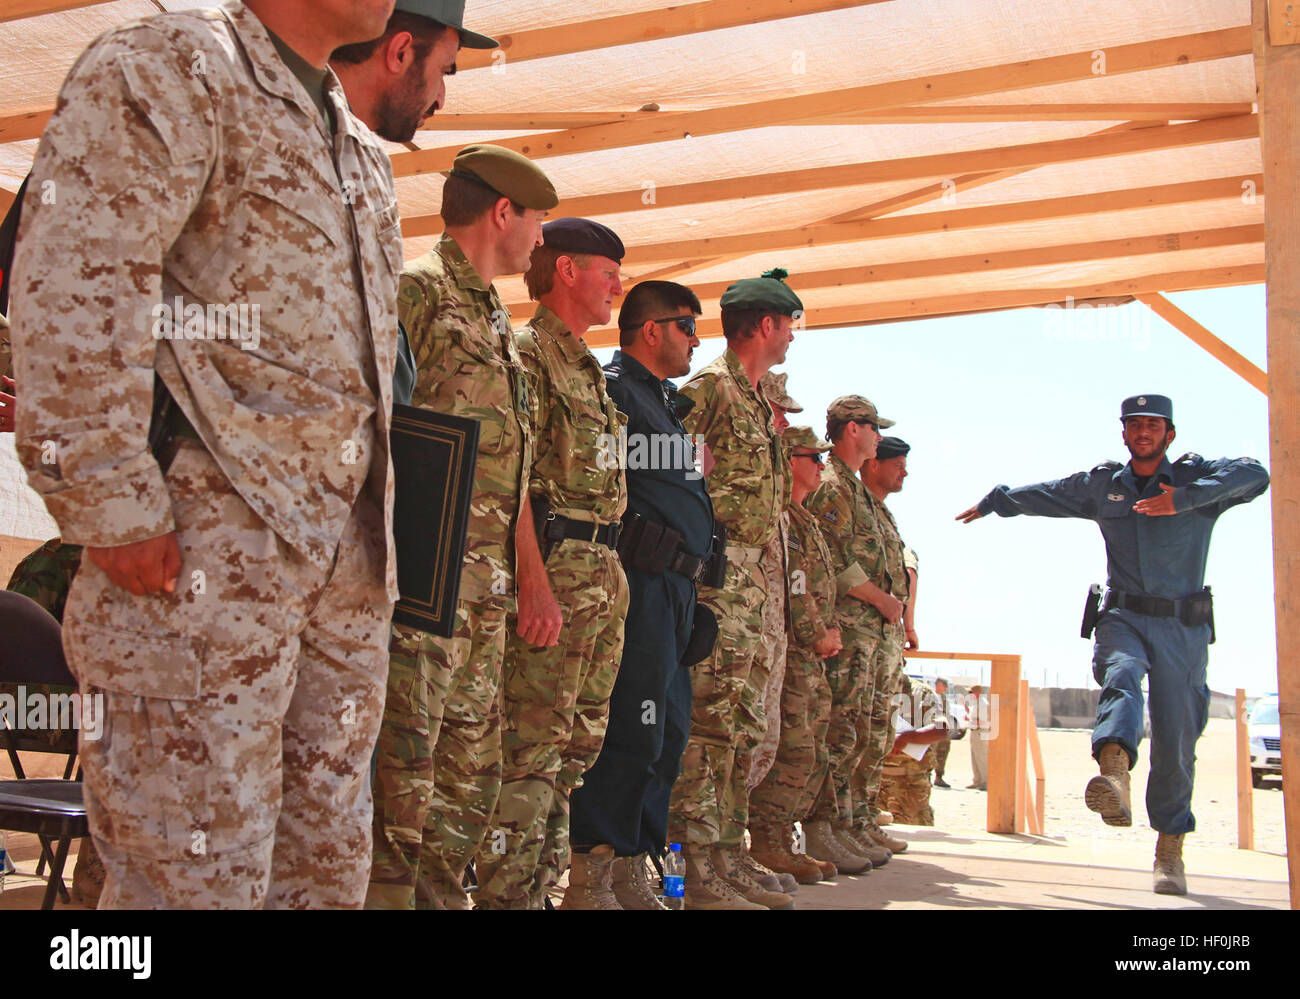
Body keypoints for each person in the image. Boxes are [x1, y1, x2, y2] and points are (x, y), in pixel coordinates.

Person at [10, 0, 404, 909]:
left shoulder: (356, 145)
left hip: (337, 575)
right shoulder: (171, 67)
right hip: (196, 568)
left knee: (322, 874)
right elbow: (76, 279)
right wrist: (113, 507)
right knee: (186, 885)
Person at [957, 394, 1269, 894]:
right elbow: (1050, 493)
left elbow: (1255, 474)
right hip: (1122, 616)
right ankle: (1115, 773)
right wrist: (998, 502)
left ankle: (1169, 849)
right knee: (1121, 674)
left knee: (1177, 738)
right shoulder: (1105, 485)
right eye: (1133, 424)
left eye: (1153, 424)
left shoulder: (1194, 478)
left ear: (1170, 434)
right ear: (1123, 434)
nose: (1143, 431)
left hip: (1183, 629)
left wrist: (1183, 500)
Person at [367, 144, 557, 910]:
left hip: (485, 590)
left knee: (469, 775)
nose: (541, 240)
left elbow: (507, 471)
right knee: (404, 765)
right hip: (422, 579)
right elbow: (372, 426)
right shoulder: (417, 290)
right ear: (502, 213)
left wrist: (531, 577)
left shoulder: (494, 317)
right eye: (538, 221)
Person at [472, 218, 630, 909]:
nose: (618, 288)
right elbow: (515, 479)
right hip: (555, 569)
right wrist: (533, 584)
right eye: (608, 273)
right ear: (566, 271)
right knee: (530, 752)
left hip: (599, 571)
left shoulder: (587, 366)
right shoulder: (528, 352)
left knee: (570, 755)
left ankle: (539, 892)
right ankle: (507, 896)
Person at [564, 280, 716, 909]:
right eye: (687, 327)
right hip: (640, 584)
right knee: (633, 729)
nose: (695, 341)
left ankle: (634, 862)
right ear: (651, 331)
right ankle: (594, 870)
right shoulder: (615, 391)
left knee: (669, 732)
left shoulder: (664, 402)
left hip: (677, 591)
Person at [667, 272, 799, 910]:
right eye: (789, 322)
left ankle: (724, 854)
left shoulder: (752, 401)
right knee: (707, 727)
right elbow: (657, 468)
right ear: (767, 325)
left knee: (742, 729)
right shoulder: (709, 390)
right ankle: (690, 869)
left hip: (753, 586)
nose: (793, 334)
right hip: (717, 582)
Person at [331, 0, 495, 407]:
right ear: (400, 52)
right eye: (443, 71)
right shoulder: (257, 120)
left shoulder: (367, 163)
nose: (440, 100)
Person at [803, 396, 898, 871]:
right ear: (852, 429)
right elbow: (831, 557)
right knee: (836, 732)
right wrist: (882, 600)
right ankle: (822, 829)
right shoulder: (833, 487)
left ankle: (845, 824)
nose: (879, 436)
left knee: (858, 731)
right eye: (874, 427)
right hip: (845, 629)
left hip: (867, 636)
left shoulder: (855, 491)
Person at [748, 426, 842, 884]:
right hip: (794, 646)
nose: (822, 466)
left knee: (808, 749)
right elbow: (795, 585)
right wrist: (813, 630)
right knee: (791, 748)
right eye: (814, 458)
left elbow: (818, 584)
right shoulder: (783, 516)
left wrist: (831, 627)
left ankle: (781, 840)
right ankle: (766, 840)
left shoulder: (805, 520)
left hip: (807, 651)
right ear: (789, 463)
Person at [846, 435, 914, 855]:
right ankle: (838, 824)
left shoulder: (879, 511)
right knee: (849, 732)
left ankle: (861, 819)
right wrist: (881, 600)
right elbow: (839, 564)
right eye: (897, 463)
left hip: (882, 636)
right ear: (873, 463)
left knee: (875, 731)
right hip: (857, 630)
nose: (903, 471)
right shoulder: (846, 497)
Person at [879, 675, 949, 825]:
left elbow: (940, 729)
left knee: (916, 840)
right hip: (871, 785)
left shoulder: (921, 693)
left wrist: (906, 738)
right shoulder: (870, 686)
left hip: (909, 786)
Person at [967, 684, 989, 791]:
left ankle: (986, 781)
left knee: (982, 757)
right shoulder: (977, 703)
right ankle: (977, 780)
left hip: (980, 731)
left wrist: (971, 722)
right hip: (975, 731)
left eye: (971, 693)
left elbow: (983, 720)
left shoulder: (982, 704)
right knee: (975, 757)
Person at [932, 676, 953, 788]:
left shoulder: (945, 699)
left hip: (944, 730)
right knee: (931, 753)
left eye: (945, 686)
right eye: (941, 685)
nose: (943, 688)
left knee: (943, 753)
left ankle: (939, 777)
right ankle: (927, 776)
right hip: (933, 729)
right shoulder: (930, 696)